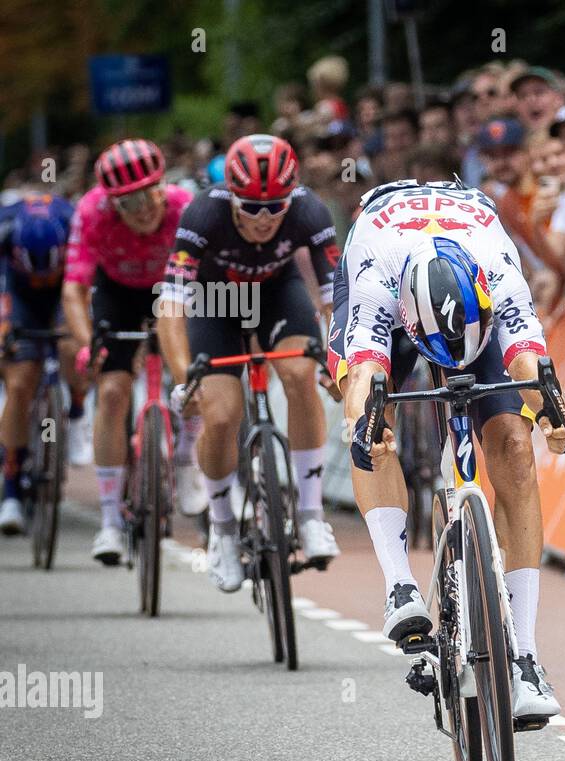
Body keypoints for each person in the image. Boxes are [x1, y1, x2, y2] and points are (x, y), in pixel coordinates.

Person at [328, 178, 565, 719]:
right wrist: (363, 420)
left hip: (469, 264)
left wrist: (556, 415)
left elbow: (531, 366)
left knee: (515, 444)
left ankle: (526, 658)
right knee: (373, 429)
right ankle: (399, 585)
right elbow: (364, 376)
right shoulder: (378, 280)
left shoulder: (501, 271)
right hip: (385, 254)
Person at [156, 134, 341, 592]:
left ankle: (312, 514)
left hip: (278, 293)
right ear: (231, 197)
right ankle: (221, 529)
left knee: (301, 373)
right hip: (215, 300)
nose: (264, 218)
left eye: (275, 207)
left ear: (291, 197)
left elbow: (336, 300)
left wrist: (338, 362)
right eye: (251, 207)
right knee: (220, 413)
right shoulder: (202, 213)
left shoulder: (310, 211)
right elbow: (171, 304)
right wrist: (185, 380)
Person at [62, 140, 198, 564]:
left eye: (148, 194)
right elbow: (74, 290)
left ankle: (190, 451)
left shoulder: (184, 207)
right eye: (128, 202)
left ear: (163, 186)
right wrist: (89, 347)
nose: (142, 209)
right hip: (117, 292)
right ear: (110, 203)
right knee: (114, 391)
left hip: (174, 290)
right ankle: (109, 523)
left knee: (195, 375)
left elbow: (210, 277)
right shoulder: (91, 212)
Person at [0, 195, 75, 534]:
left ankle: (76, 410)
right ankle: (12, 486)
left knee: (75, 345)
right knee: (18, 383)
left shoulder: (73, 224)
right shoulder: (5, 232)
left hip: (66, 289)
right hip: (18, 297)